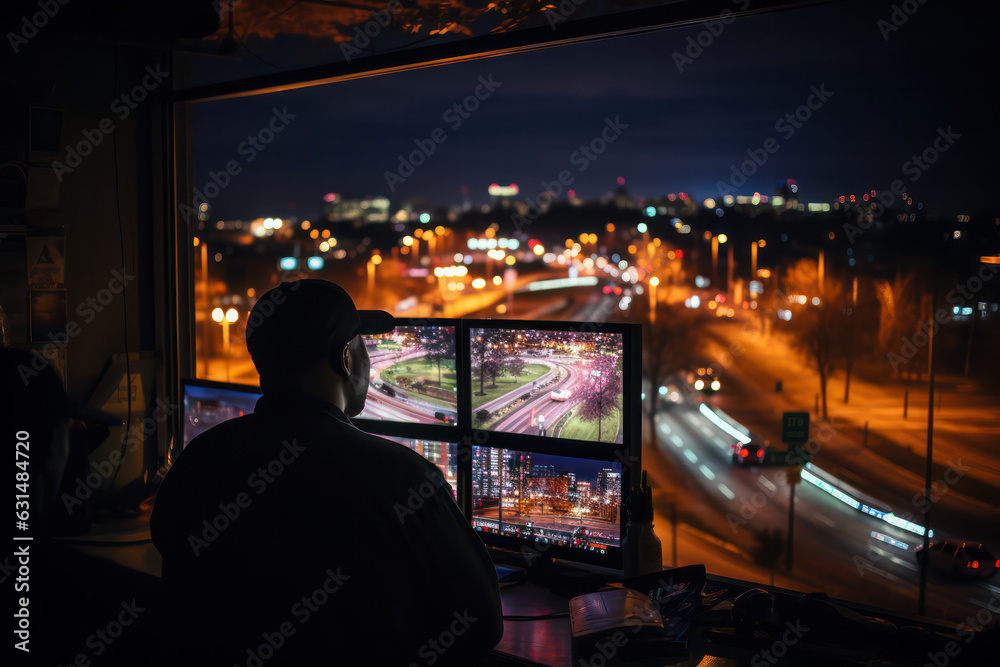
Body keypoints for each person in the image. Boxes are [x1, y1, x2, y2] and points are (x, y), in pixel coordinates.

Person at [150, 280, 503, 665]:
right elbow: (482, 624)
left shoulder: (198, 459)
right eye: (364, 346)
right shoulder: (403, 476)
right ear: (347, 358)